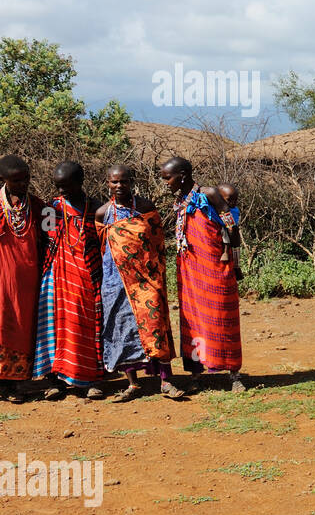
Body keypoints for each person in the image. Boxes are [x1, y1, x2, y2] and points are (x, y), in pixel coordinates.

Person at [95, 165, 183, 401]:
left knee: (155, 324)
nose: (119, 186)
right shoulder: (103, 214)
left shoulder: (145, 207)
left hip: (146, 280)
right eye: (114, 182)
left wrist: (155, 276)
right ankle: (133, 384)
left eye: (124, 181)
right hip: (116, 281)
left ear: (131, 182)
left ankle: (166, 381)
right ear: (107, 184)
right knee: (122, 328)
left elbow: (157, 245)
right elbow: (103, 249)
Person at [160, 156, 245, 393]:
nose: (166, 182)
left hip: (215, 266)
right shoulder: (181, 200)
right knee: (194, 319)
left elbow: (230, 221)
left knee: (223, 317)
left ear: (183, 176)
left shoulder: (208, 194)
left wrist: (231, 254)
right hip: (189, 269)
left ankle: (233, 374)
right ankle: (197, 373)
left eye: (168, 178)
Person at [33, 161, 105, 399]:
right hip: (55, 273)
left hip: (86, 274)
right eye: (58, 186)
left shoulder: (96, 208)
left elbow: (102, 244)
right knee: (53, 325)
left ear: (80, 182)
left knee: (84, 324)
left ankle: (87, 380)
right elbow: (44, 241)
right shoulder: (50, 209)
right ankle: (54, 380)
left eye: (66, 185)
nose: (61, 191)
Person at [0, 155, 45, 402]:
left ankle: (16, 383)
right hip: (1, 280)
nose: (24, 183)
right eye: (17, 180)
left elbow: (52, 239)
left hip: (28, 281)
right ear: (3, 180)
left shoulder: (39, 207)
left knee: (22, 326)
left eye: (26, 178)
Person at [216, 182, 243, 281]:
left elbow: (232, 227)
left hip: (229, 232)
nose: (233, 203)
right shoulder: (213, 207)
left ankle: (236, 265)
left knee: (227, 235)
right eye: (229, 200)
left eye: (235, 200)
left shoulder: (234, 210)